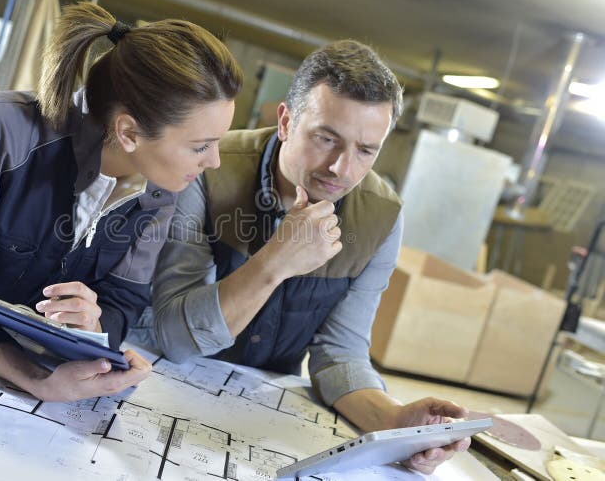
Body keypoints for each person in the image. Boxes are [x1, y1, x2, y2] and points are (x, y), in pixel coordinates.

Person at [0, 2, 242, 403]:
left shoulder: (160, 188)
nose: (214, 162)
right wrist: (36, 381)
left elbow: (123, 303)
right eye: (200, 146)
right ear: (129, 132)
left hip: (5, 368)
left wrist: (91, 324)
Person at [143, 40, 469, 474]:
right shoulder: (206, 171)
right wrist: (276, 260)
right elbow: (175, 338)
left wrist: (393, 422)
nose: (341, 168)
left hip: (254, 415)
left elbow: (340, 354)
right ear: (285, 121)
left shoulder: (381, 218)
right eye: (326, 139)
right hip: (155, 386)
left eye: (366, 150)